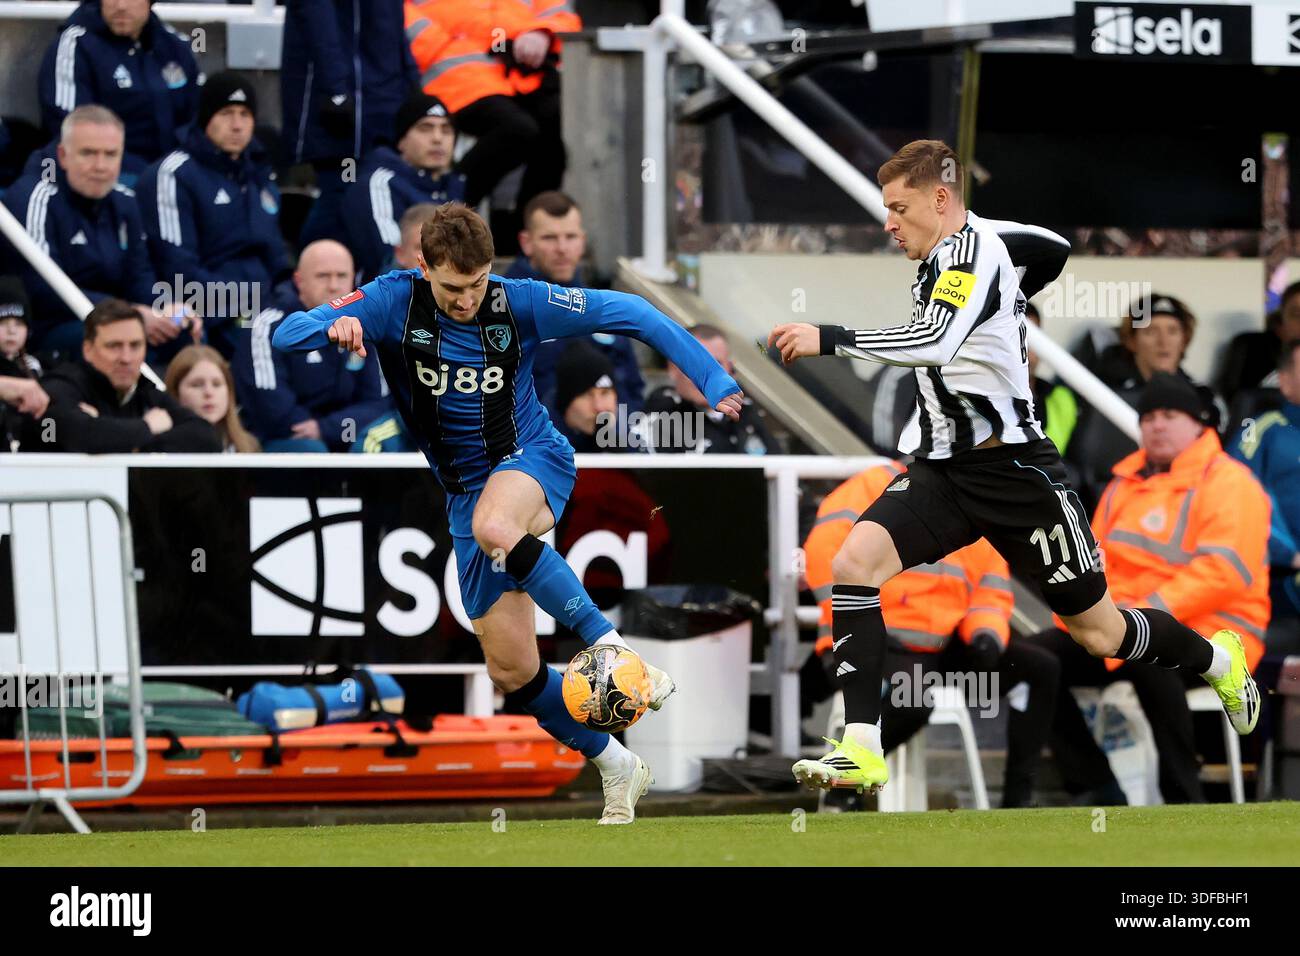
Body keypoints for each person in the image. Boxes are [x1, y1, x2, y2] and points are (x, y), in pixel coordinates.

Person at [767, 139, 1260, 796]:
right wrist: (978, 231)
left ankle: (1213, 658)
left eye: (898, 207)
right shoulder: (953, 248)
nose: (888, 222)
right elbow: (1052, 247)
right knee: (856, 564)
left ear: (939, 200)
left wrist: (830, 335)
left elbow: (934, 342)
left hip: (1017, 477)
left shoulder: (969, 255)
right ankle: (862, 745)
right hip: (945, 473)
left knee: (1098, 631)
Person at [272, 203, 742, 823]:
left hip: (532, 456)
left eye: (476, 284)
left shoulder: (518, 299)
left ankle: (617, 652)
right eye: (451, 287)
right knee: (512, 669)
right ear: (422, 267)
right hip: (464, 492)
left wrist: (711, 379)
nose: (467, 300)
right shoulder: (389, 301)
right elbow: (283, 335)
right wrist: (332, 329)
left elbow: (631, 312)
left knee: (499, 526)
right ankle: (616, 764)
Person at [1032, 372, 1270, 804]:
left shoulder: (1231, 482)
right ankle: (1096, 788)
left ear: (1201, 424)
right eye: (1148, 417)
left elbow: (1224, 571)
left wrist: (1145, 615)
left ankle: (1183, 797)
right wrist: (1087, 613)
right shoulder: (1124, 483)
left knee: (1151, 656)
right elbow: (1095, 559)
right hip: (1125, 626)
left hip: (1219, 635)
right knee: (1034, 661)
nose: (1156, 425)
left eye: (1169, 415)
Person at [803, 461, 1060, 808]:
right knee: (912, 700)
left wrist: (986, 635)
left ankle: (1019, 802)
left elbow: (991, 585)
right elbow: (824, 556)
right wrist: (862, 621)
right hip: (868, 643)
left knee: (1039, 668)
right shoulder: (871, 485)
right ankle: (845, 790)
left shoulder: (974, 498)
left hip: (939, 649)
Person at [2, 106, 187, 360]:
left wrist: (168, 309)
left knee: (183, 331)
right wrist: (128, 314)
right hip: (56, 324)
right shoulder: (35, 198)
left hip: (119, 317)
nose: (100, 166)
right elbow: (45, 289)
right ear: (63, 156)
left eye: (110, 155)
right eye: (88, 153)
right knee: (109, 340)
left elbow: (140, 278)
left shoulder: (125, 202)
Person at [137, 72, 291, 357]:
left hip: (260, 304)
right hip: (208, 310)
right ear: (205, 117)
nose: (237, 125)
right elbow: (178, 272)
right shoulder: (174, 174)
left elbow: (277, 258)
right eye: (226, 113)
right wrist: (251, 298)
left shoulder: (259, 175)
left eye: (245, 115)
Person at [405, 0, 581, 232]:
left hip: (520, 75)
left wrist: (542, 32)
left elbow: (560, 13)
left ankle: (530, 232)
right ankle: (449, 214)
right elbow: (399, 15)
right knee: (517, 130)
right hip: (459, 76)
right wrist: (446, 44)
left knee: (556, 125)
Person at [282, 0, 420, 246]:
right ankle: (303, 269)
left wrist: (413, 86)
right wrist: (336, 90)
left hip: (381, 101)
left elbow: (397, 32)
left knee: (367, 194)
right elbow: (317, 18)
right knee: (341, 191)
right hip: (344, 109)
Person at [236, 240, 389, 452]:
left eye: (342, 276)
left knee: (382, 443)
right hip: (281, 441)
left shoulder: (367, 325)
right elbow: (271, 408)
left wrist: (325, 429)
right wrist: (321, 434)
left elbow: (379, 405)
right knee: (312, 449)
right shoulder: (267, 324)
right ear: (299, 281)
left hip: (343, 435)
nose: (334, 285)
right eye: (323, 276)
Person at [38, 0, 200, 180]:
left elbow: (197, 121)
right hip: (109, 172)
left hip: (172, 170)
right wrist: (147, 174)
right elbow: (69, 126)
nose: (121, 5)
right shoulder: (75, 45)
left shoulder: (175, 45)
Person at [517, 192, 645, 415]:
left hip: (612, 442)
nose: (562, 248)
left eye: (571, 236)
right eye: (549, 238)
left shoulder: (604, 306)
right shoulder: (505, 307)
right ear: (526, 243)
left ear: (583, 241)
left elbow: (633, 391)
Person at [41, 298, 221, 453]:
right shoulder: (61, 386)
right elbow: (77, 435)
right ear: (87, 349)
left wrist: (123, 439)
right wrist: (147, 427)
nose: (126, 358)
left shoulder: (145, 392)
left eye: (135, 346)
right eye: (114, 346)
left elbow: (206, 437)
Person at [342, 92, 466, 281]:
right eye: (425, 128)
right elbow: (390, 261)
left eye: (446, 130)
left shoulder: (455, 187)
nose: (437, 138)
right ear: (401, 141)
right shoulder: (379, 183)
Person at [1231, 338, 1300, 651]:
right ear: (1284, 382)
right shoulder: (1261, 429)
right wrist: (1290, 553)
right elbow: (1238, 497)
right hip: (1281, 574)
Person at [644, 324, 776, 454]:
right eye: (695, 364)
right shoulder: (661, 416)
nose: (705, 376)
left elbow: (779, 464)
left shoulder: (746, 410)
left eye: (716, 365)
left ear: (730, 370)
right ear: (673, 368)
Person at [164, 344, 260, 453]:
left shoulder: (249, 446)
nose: (209, 393)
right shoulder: (159, 447)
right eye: (197, 385)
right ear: (175, 393)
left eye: (217, 384)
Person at [0, 279, 49, 452]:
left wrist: (48, 443)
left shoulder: (39, 366)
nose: (11, 331)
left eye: (19, 324)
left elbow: (48, 423)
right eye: (3, 323)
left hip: (29, 456)